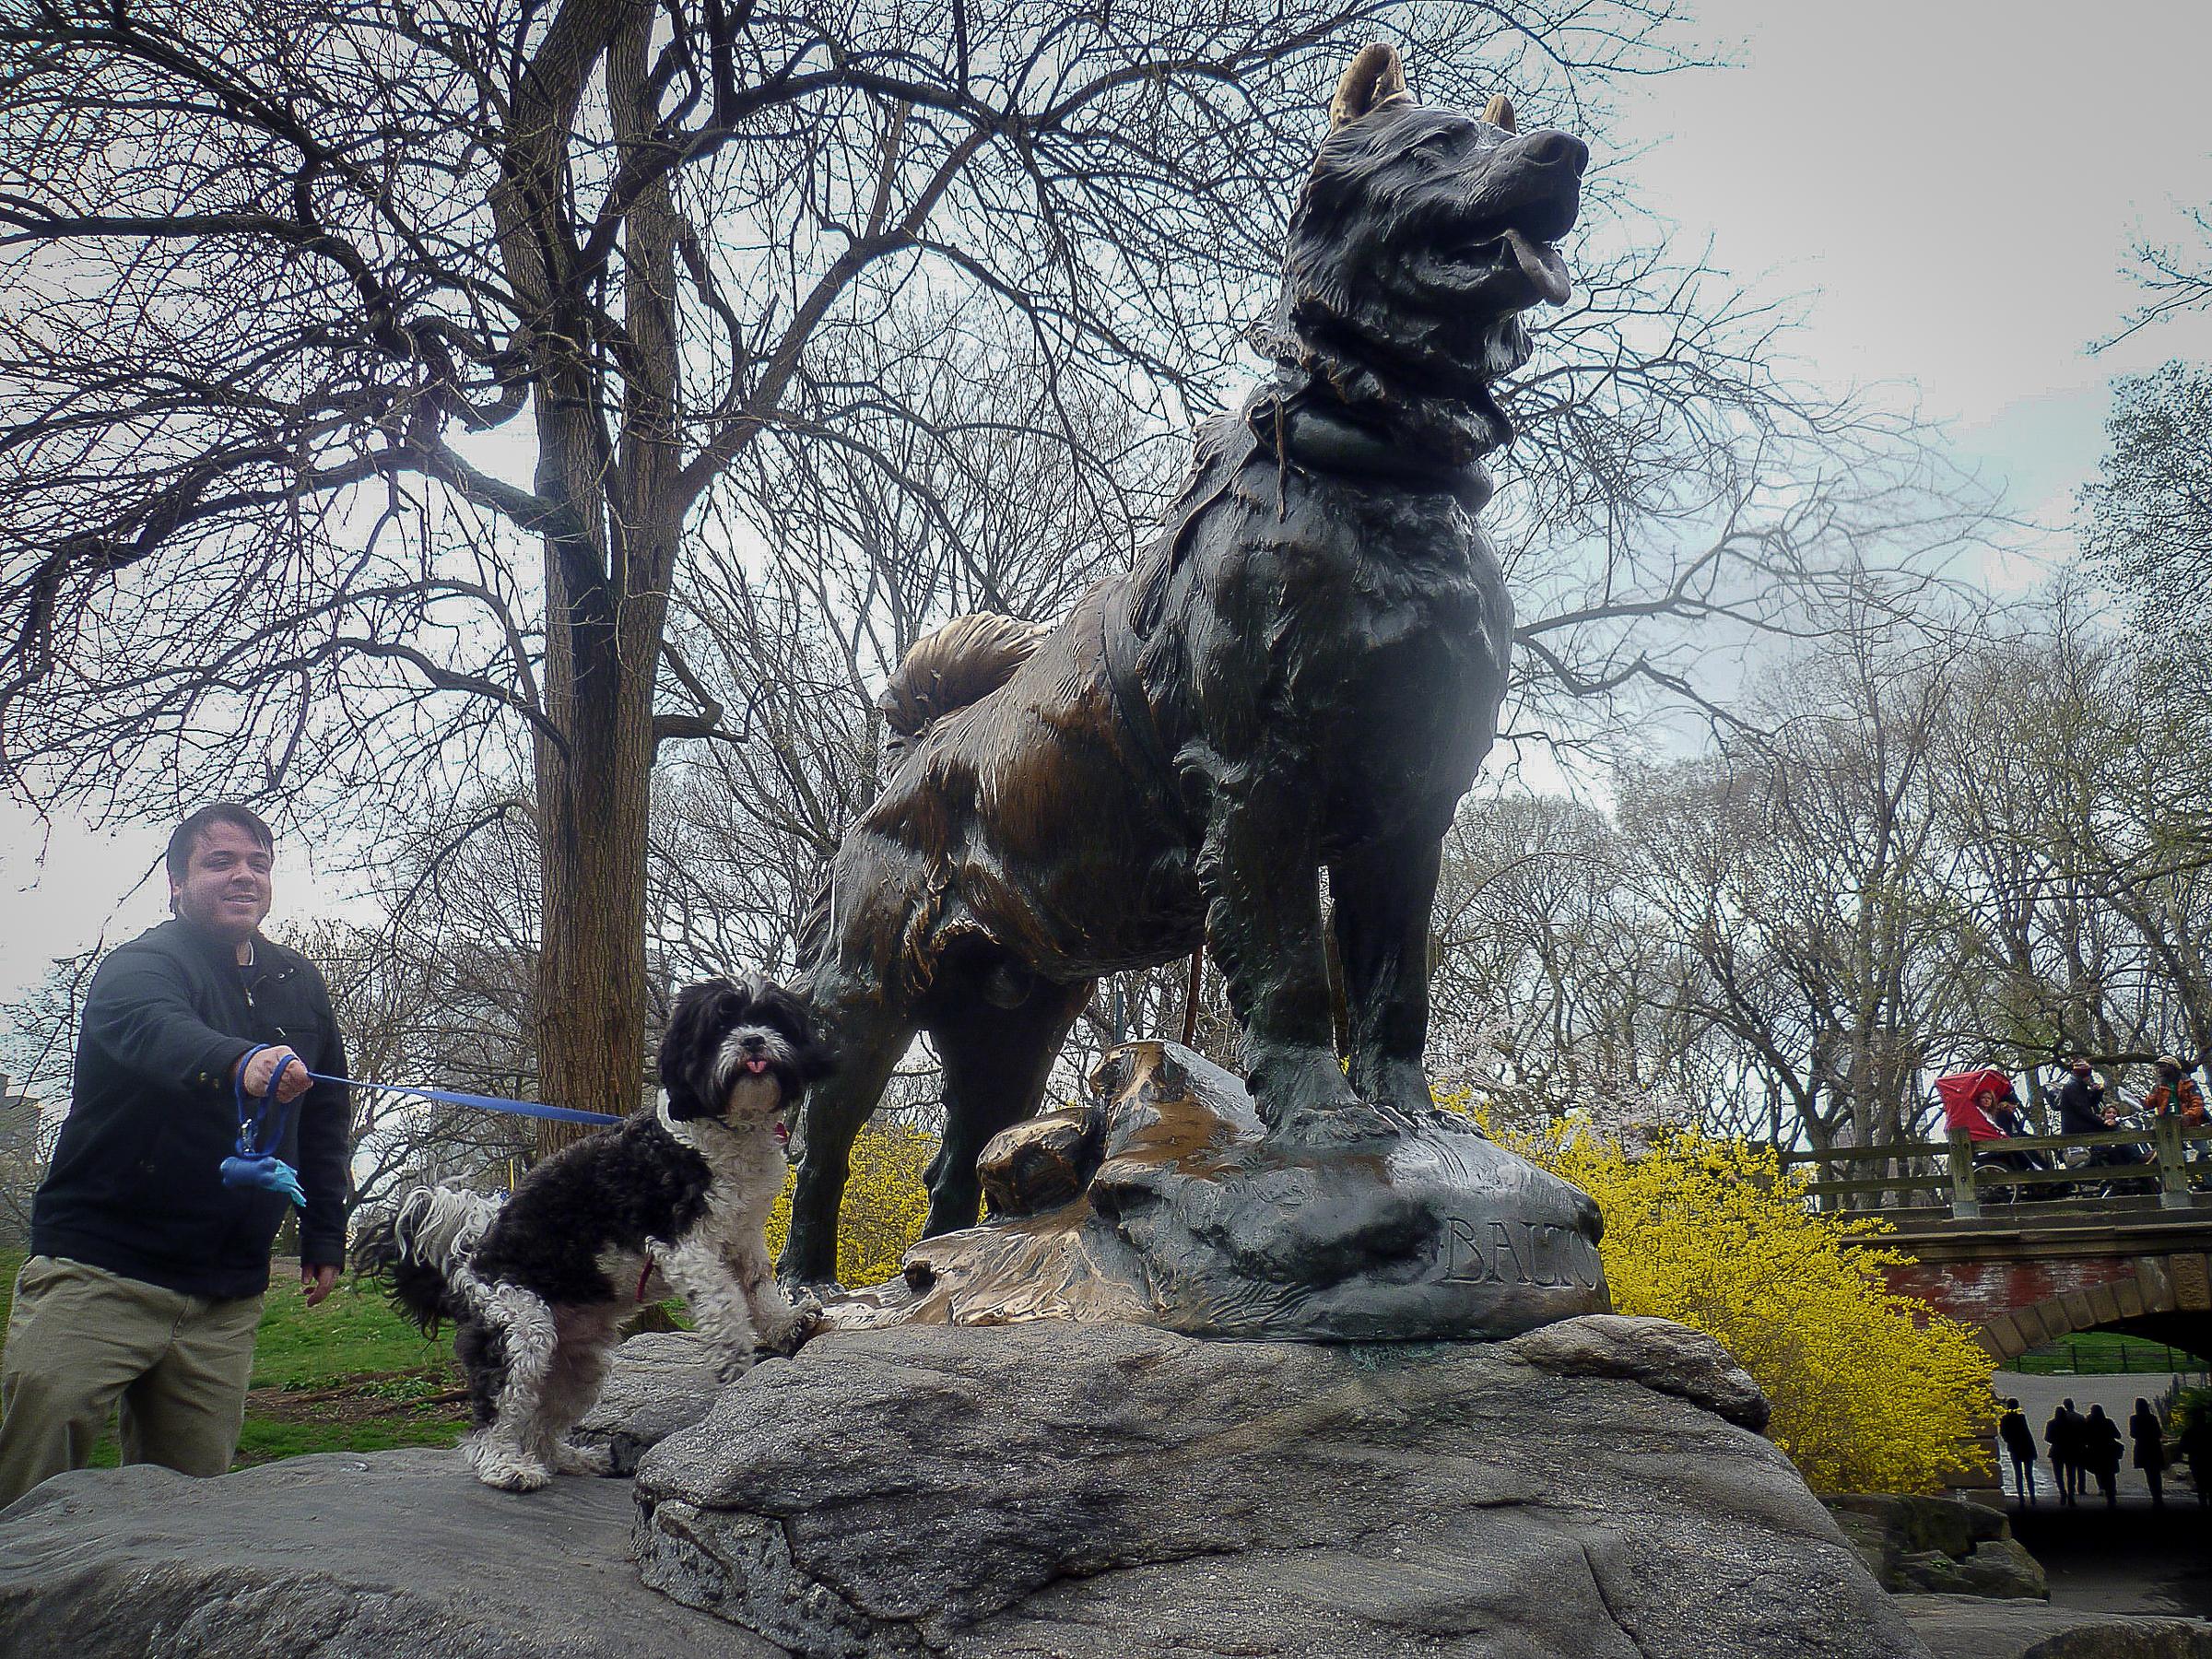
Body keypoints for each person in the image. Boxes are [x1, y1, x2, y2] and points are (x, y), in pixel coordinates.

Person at [0, 805, 350, 1505]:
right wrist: (239, 1060)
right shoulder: (141, 966)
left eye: (257, 861)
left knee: (192, 1517)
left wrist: (322, 1236)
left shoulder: (299, 984)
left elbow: (323, 1118)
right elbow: (153, 1030)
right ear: (175, 881)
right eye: (219, 862)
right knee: (24, 1489)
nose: (243, 875)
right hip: (99, 1271)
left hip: (224, 1297)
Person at [2143, 1056, 2206, 1128]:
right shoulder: (2158, 1087)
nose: (2159, 1070)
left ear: (2172, 1067)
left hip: (2190, 1125)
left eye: (2163, 1066)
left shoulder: (2189, 1084)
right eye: (2158, 1067)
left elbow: (2198, 1104)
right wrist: (2139, 1101)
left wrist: (2188, 1116)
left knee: (2198, 1136)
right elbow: (2148, 1104)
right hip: (2166, 1125)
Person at [1998, 1397, 2040, 1505]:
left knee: (2018, 1474)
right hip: (2026, 1448)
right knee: (2029, 1474)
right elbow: (2027, 1434)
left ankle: (2021, 1497)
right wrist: (2033, 1451)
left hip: (2014, 1448)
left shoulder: (2004, 1419)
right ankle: (2032, 1497)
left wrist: (2010, 1442)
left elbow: (2003, 1434)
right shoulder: (2021, 1418)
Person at [2130, 1397, 2168, 1510]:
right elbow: (2158, 1433)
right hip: (2154, 1447)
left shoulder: (2134, 1419)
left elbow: (2133, 1434)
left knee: (2149, 1474)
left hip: (2142, 1447)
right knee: (2156, 1474)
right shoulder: (2152, 1418)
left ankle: (2155, 1498)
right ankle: (2159, 1498)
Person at [2084, 1404, 2124, 1507]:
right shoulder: (2108, 1422)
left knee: (2099, 1471)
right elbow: (2118, 1435)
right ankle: (2112, 1492)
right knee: (2110, 1472)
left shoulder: (2089, 1423)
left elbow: (2085, 1438)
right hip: (2109, 1450)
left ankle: (2102, 1488)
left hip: (2095, 1450)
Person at [2044, 1399, 2080, 1506]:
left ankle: (2062, 1492)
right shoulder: (2070, 1424)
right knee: (2071, 1474)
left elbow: (2047, 1438)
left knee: (2058, 1475)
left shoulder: (2051, 1423)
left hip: (2056, 1451)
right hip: (2070, 1451)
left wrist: (2055, 1441)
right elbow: (2076, 1437)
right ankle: (2071, 1495)